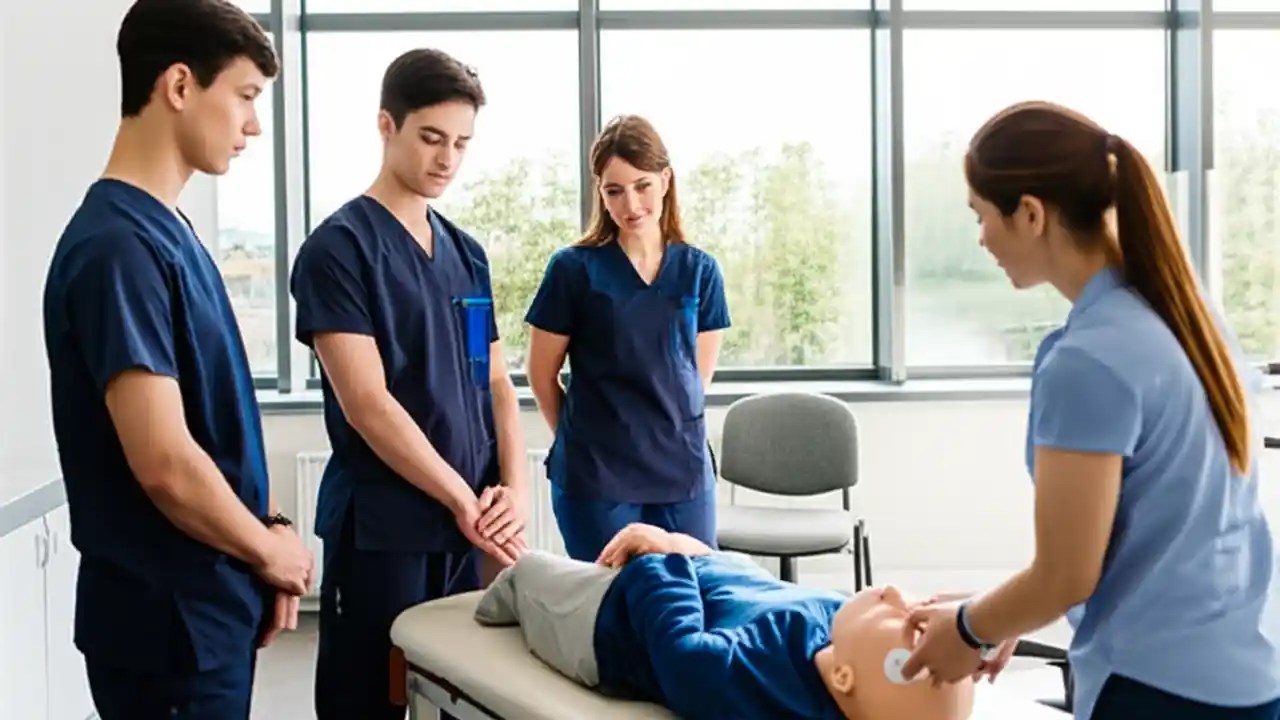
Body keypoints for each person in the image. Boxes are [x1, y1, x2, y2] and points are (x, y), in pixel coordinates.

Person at [901, 101, 1280, 720]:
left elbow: (1065, 576)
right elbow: (1150, 541)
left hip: (1161, 690)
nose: (981, 239)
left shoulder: (1089, 360)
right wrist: (998, 612)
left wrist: (968, 628)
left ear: (1029, 213)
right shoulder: (1187, 320)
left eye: (981, 216)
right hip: (1246, 676)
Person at [41, 2, 314, 718]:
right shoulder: (117, 249)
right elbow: (163, 459)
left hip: (207, 615)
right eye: (247, 96)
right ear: (181, 86)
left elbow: (221, 423)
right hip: (166, 630)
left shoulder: (169, 231)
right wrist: (266, 549)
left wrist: (273, 534)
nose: (254, 124)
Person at [290, 47, 529, 720]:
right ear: (385, 125)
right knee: (370, 699)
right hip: (384, 532)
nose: (447, 158)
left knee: (460, 699)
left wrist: (511, 490)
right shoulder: (337, 250)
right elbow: (366, 404)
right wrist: (463, 501)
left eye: (461, 143)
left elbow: (495, 385)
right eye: (431, 138)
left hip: (469, 528)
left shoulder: (467, 255)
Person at [474, 522, 981, 720]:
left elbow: (684, 656)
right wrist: (690, 551)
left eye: (898, 620)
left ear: (845, 678)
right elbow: (764, 592)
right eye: (915, 608)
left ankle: (511, 589)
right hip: (722, 583)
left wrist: (664, 562)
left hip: (616, 619)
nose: (894, 593)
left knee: (533, 574)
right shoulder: (842, 631)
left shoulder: (760, 680)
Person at [524, 114, 731, 562]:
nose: (630, 204)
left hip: (683, 472)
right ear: (599, 192)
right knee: (611, 606)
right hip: (597, 477)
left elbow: (696, 378)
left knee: (697, 596)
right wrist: (581, 442)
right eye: (613, 191)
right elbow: (540, 374)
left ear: (665, 180)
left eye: (642, 186)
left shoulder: (700, 271)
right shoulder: (573, 270)